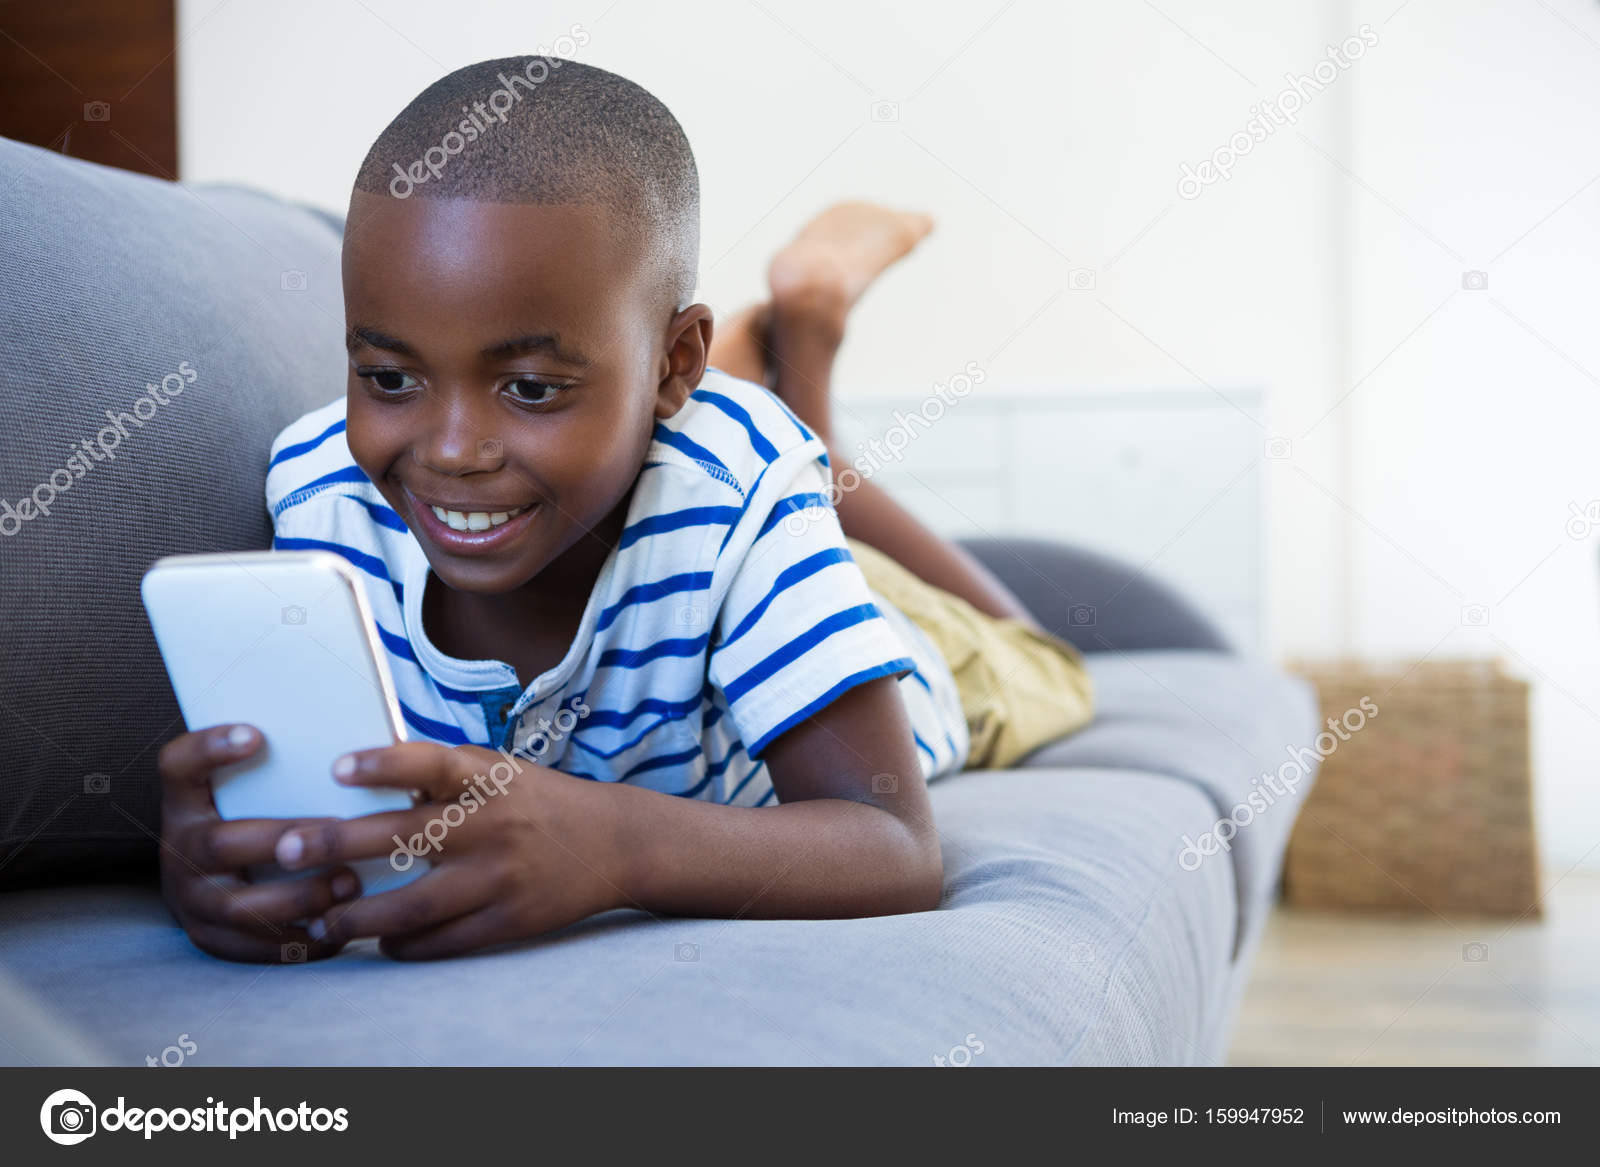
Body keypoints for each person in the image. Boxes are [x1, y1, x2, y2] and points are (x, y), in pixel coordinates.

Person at [156, 57, 1092, 963]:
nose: (447, 450)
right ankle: (771, 402)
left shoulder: (735, 491)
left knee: (1047, 663)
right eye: (390, 376)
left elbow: (893, 848)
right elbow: (304, 821)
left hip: (882, 632)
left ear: (677, 362)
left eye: (529, 387)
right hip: (692, 484)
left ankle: (804, 381)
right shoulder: (324, 498)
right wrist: (221, 871)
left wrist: (613, 846)